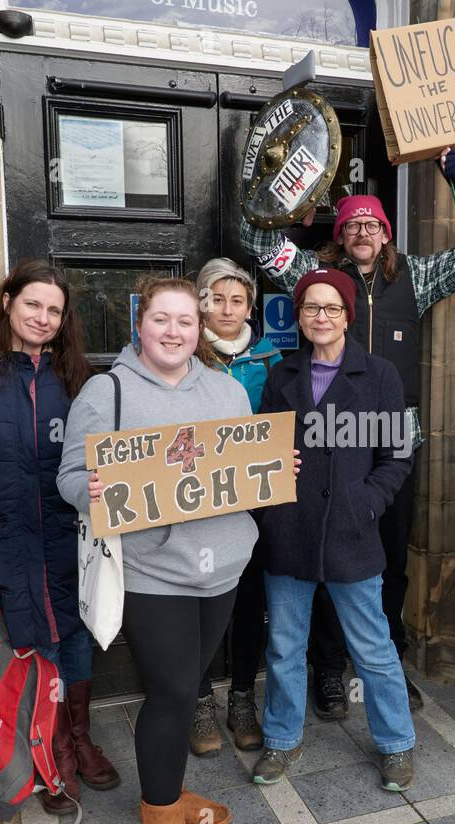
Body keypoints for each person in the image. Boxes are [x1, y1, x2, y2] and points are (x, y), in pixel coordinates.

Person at [241, 147, 455, 717]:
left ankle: (388, 664)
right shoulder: (313, 276)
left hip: (392, 445)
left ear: (385, 234)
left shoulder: (416, 274)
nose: (361, 231)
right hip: (323, 442)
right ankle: (329, 670)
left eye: (371, 224)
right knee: (324, 556)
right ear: (340, 232)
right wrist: (288, 205)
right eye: (351, 224)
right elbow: (254, 239)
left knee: (391, 561)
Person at [58, 275, 272, 824]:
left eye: (185, 321)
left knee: (186, 687)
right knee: (174, 692)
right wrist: (94, 490)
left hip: (223, 568)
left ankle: (170, 796)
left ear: (199, 329)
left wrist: (275, 466)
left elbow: (245, 470)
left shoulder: (227, 390)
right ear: (140, 325)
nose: (174, 331)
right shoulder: (108, 392)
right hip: (154, 573)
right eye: (162, 319)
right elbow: (70, 478)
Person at [0, 260, 120, 815]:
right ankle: (51, 757)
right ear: (7, 302)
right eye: (33, 305)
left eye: (54, 309)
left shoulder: (76, 381)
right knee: (34, 647)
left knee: (75, 638)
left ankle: (78, 740)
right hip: (5, 544)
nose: (43, 317)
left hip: (70, 541)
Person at [252, 268, 417, 792]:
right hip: (290, 531)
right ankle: (281, 740)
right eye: (310, 308)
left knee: (373, 647)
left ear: (348, 316)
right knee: (283, 647)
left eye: (332, 308)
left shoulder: (381, 374)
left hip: (353, 534)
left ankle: (396, 745)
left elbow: (398, 454)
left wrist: (364, 504)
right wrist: (274, 467)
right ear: (298, 317)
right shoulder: (281, 376)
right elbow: (261, 446)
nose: (321, 317)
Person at [188, 257, 281, 756]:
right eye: (216, 299)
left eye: (237, 300)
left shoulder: (269, 358)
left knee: (248, 601)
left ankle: (241, 697)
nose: (227, 309)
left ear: (250, 306)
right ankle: (199, 701)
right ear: (201, 304)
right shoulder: (183, 352)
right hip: (195, 503)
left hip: (251, 505)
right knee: (201, 600)